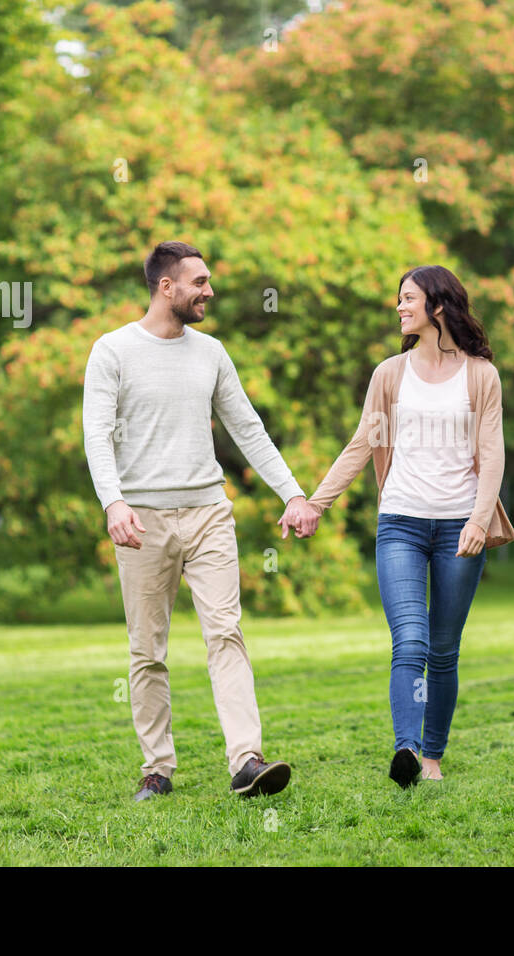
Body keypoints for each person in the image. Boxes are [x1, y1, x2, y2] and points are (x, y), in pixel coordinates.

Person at [81, 240, 320, 801]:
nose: (208, 292)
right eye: (199, 282)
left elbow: (248, 428)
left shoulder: (211, 352)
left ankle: (246, 761)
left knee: (226, 633)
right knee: (148, 649)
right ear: (167, 287)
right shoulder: (112, 351)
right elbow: (96, 433)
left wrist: (294, 494)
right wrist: (113, 502)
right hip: (142, 519)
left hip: (210, 512)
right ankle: (157, 770)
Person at [303, 264, 514, 788]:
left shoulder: (481, 375)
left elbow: (492, 456)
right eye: (398, 299)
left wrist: (479, 518)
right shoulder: (390, 375)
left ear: (437, 306)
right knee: (410, 640)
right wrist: (316, 503)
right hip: (400, 521)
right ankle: (406, 748)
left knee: (444, 650)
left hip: (459, 527)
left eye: (407, 298)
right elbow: (362, 444)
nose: (399, 307)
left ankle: (433, 757)